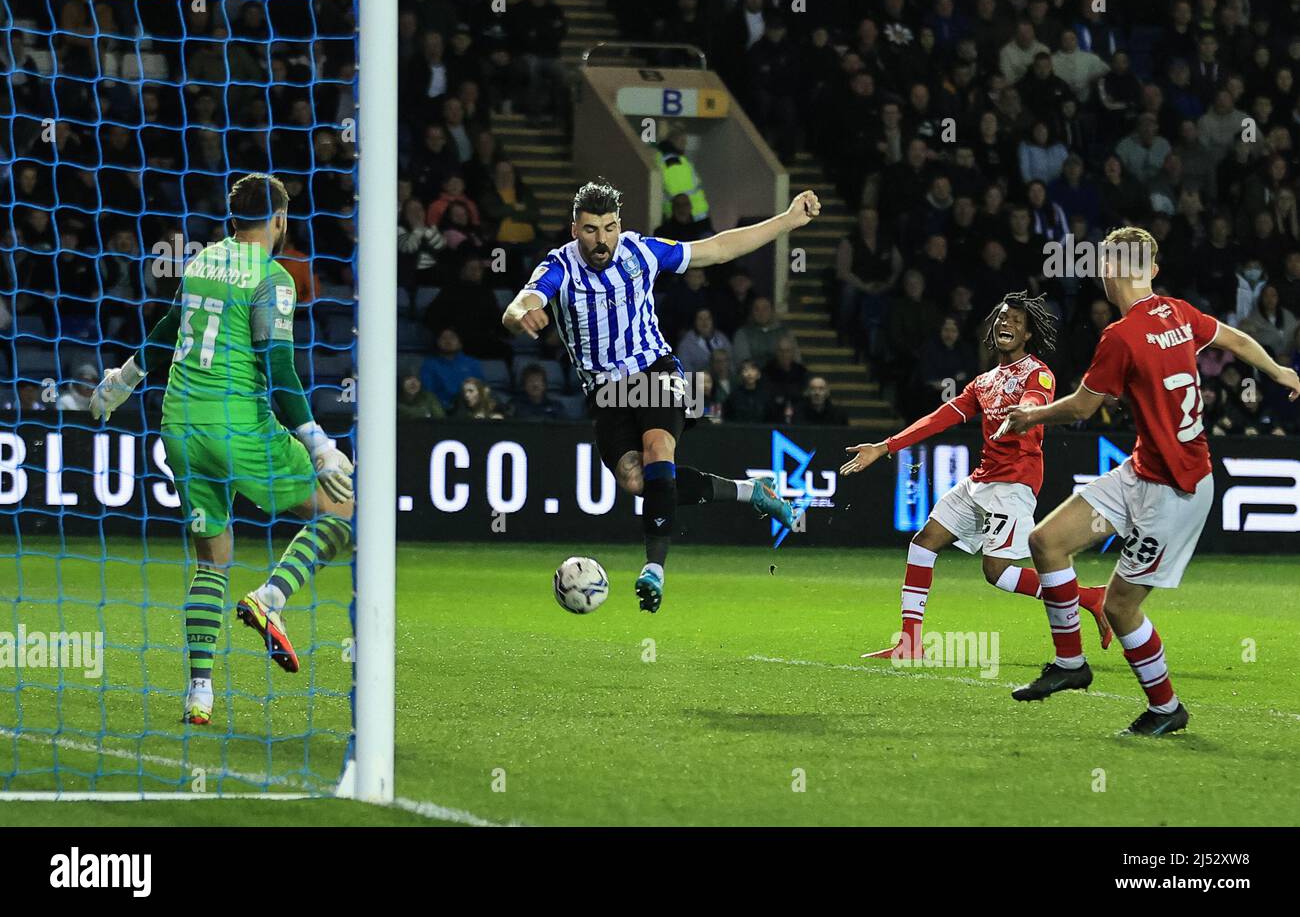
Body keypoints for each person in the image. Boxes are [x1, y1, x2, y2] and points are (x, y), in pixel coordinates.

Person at [1003, 227, 1300, 735]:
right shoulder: (1179, 313)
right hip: (1142, 471)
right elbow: (1239, 338)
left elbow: (1081, 406)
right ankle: (1071, 664)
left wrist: (1028, 417)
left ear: (1107, 270)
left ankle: (1167, 709)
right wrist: (1279, 370)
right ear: (1153, 270)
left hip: (1177, 490)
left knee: (1120, 605)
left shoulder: (1120, 336)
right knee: (1046, 541)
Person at [89, 174, 355, 726]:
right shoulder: (273, 277)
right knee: (345, 511)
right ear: (279, 220)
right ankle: (273, 598)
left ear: (236, 219)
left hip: (180, 426)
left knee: (212, 560)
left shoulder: (203, 261)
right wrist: (320, 443)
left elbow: (166, 331)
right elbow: (278, 370)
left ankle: (200, 694)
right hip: (239, 426)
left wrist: (122, 380)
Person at [501, 178, 816, 612]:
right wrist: (524, 313)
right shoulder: (559, 266)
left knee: (657, 450)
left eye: (609, 228)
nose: (602, 240)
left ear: (619, 225)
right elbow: (518, 303)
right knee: (636, 480)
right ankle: (753, 492)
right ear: (575, 229)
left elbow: (718, 248)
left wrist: (786, 221)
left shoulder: (641, 250)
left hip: (659, 370)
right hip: (606, 391)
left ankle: (655, 568)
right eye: (591, 230)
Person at [841, 292, 1112, 661]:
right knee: (924, 542)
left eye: (1017, 321)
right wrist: (884, 447)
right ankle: (910, 643)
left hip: (1014, 484)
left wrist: (1026, 411)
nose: (1007, 324)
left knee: (996, 571)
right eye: (1002, 318)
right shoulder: (983, 383)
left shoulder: (1038, 373)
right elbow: (938, 418)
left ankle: (1090, 597)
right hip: (981, 480)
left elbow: (1036, 399)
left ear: (1028, 334)